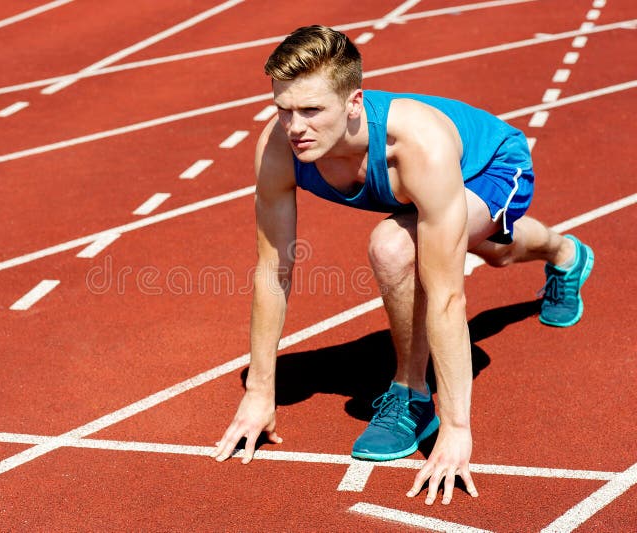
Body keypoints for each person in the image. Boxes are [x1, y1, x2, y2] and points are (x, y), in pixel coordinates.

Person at [212, 25, 594, 505]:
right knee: (493, 250)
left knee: (398, 246)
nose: (295, 128)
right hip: (410, 187)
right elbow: (273, 268)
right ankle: (567, 254)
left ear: (354, 103)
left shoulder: (415, 145)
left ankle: (412, 394)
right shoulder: (280, 148)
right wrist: (259, 391)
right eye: (283, 110)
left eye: (311, 110)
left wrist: (457, 429)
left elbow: (449, 296)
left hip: (490, 163)